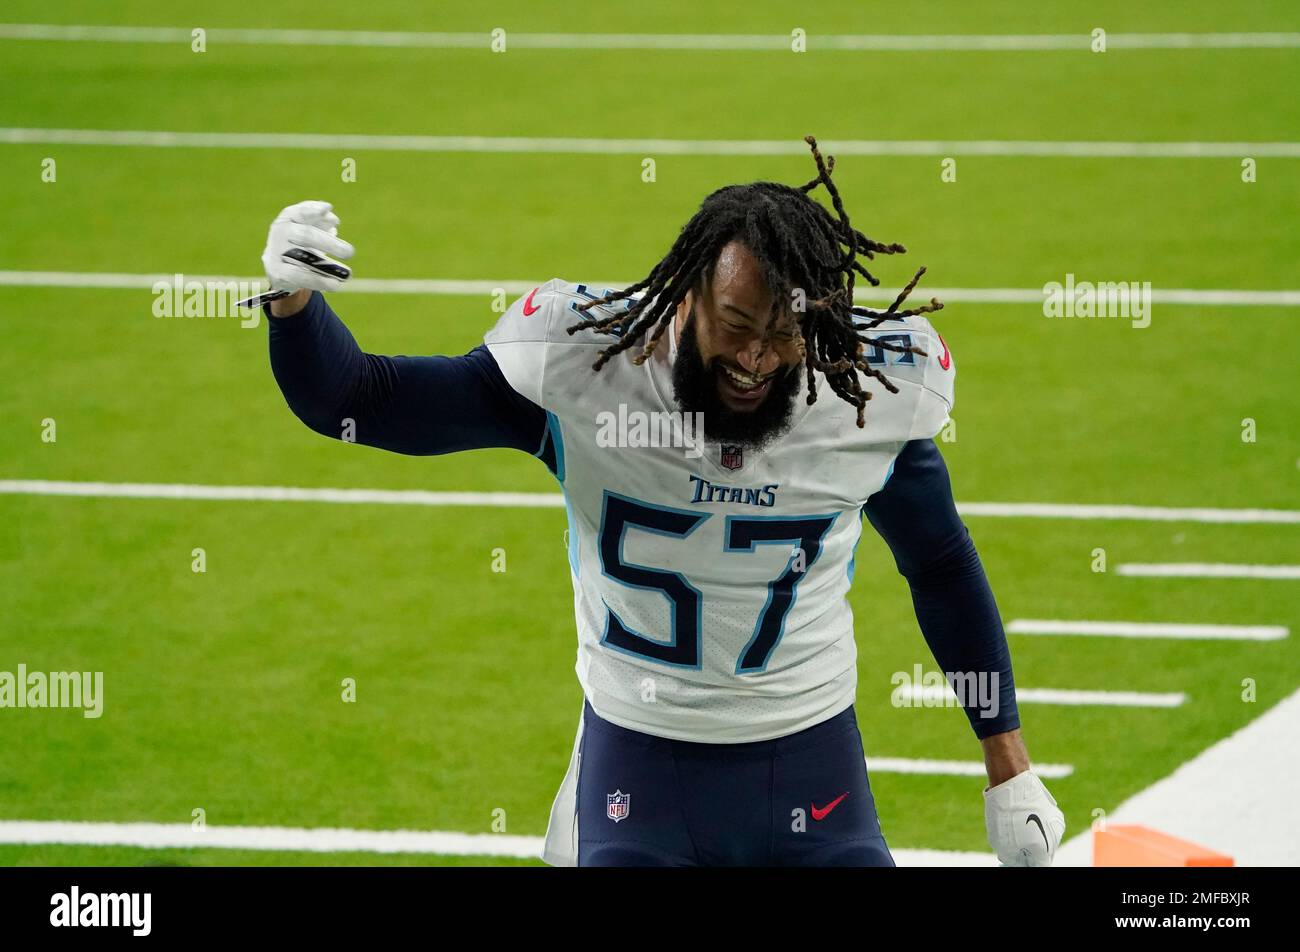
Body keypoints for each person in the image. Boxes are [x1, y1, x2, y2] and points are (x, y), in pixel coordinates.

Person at [259, 137, 1065, 867]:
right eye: (735, 323)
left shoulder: (859, 396)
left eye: (783, 333)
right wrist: (291, 304)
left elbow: (941, 563)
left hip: (811, 762)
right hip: (636, 764)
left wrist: (1009, 765)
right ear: (684, 300)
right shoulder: (586, 375)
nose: (755, 357)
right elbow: (355, 398)